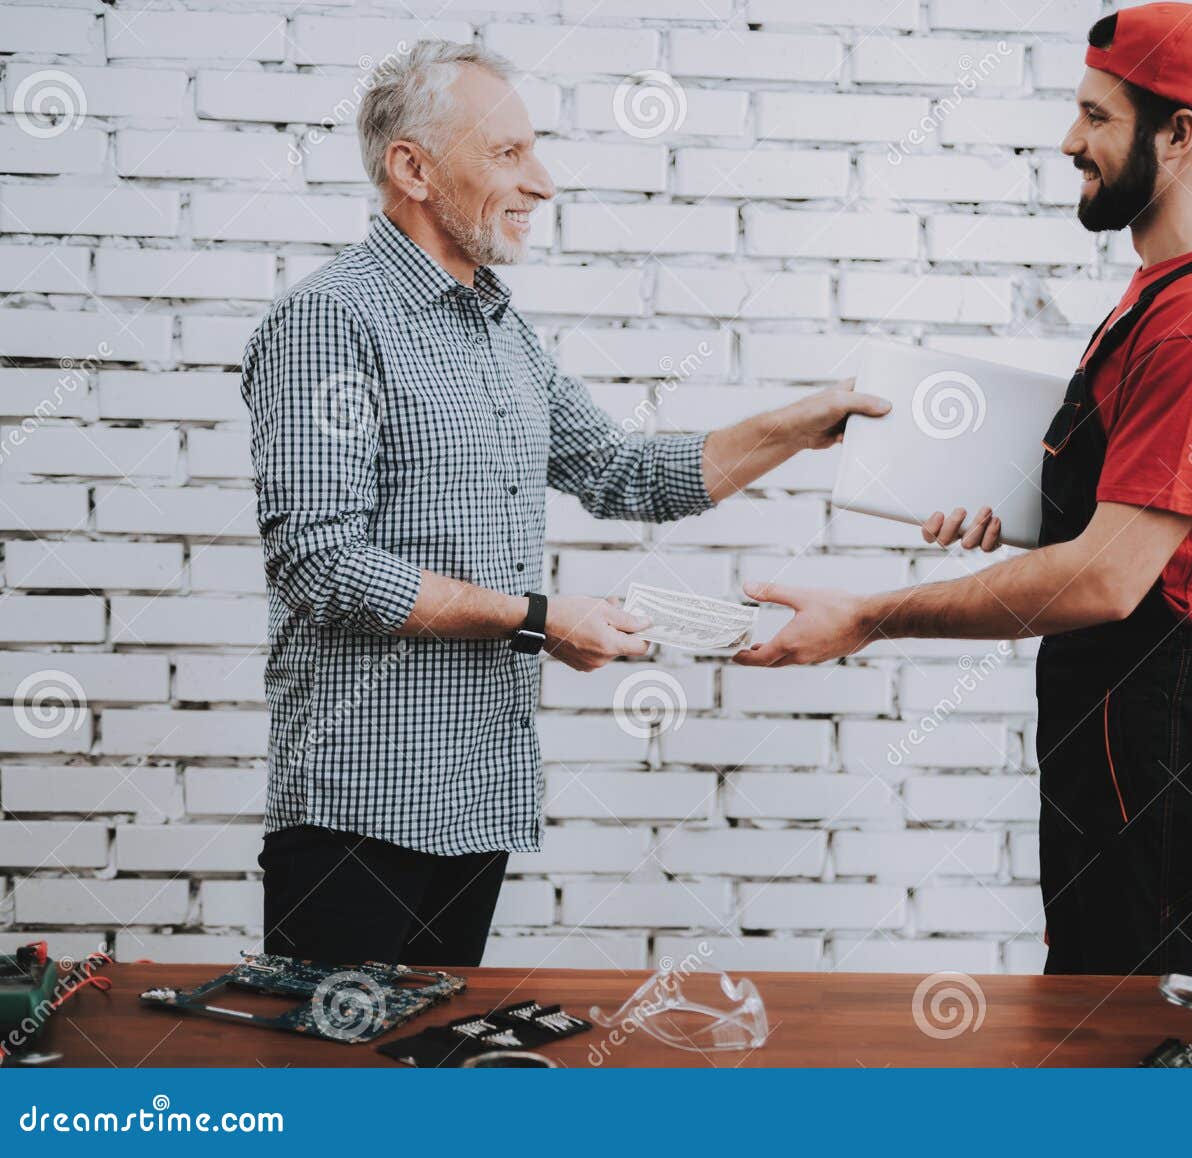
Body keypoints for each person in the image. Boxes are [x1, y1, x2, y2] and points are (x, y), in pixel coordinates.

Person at [241, 41, 884, 967]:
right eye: (507, 154)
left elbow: (622, 472)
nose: (541, 183)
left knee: (435, 1086)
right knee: (345, 1090)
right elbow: (319, 561)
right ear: (411, 168)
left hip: (476, 800)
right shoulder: (330, 320)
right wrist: (540, 620)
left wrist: (798, 423)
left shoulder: (502, 332)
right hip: (358, 806)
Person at [735, 3, 1192, 979]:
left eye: (1095, 117)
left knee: (1153, 1025)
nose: (1068, 142)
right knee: (1106, 987)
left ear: (1178, 134)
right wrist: (1032, 512)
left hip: (1164, 710)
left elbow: (1107, 582)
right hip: (1133, 702)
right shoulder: (1169, 292)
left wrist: (868, 617)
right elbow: (1132, 532)